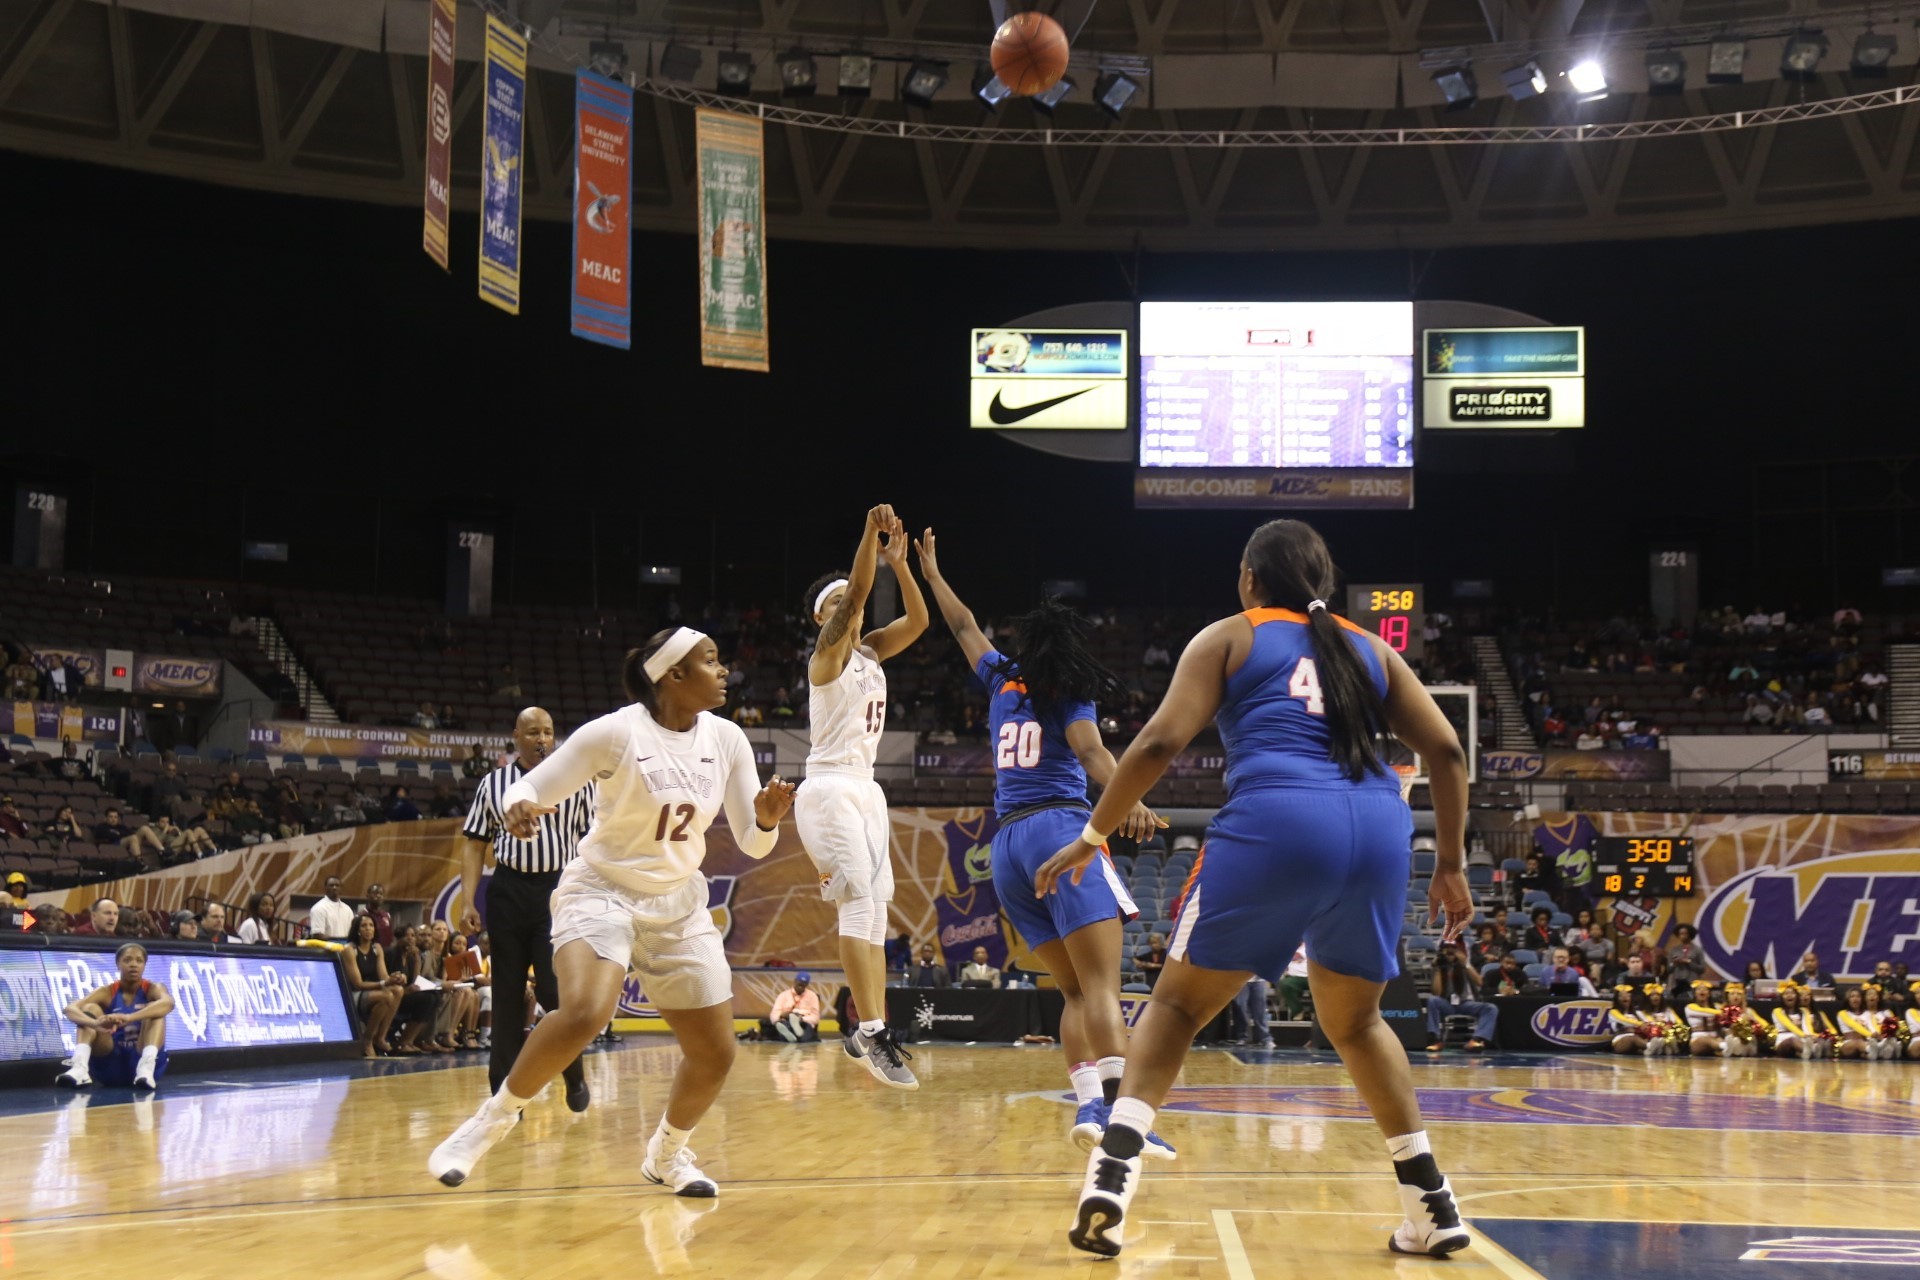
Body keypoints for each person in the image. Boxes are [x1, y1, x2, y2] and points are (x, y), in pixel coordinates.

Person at [1033, 519, 1473, 1260]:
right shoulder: (1373, 648)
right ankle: (1431, 1202)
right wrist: (1453, 862)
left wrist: (1093, 832)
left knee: (1174, 1006)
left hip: (1279, 821)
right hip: (1380, 831)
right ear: (1324, 583)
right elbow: (1447, 750)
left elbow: (1159, 742)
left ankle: (1111, 1175)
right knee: (1359, 1025)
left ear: (1248, 578)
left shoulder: (1230, 635)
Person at [429, 627, 797, 1193]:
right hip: (603, 889)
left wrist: (768, 816)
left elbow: (753, 841)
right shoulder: (617, 731)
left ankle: (667, 1156)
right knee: (585, 1011)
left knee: (716, 1053)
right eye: (711, 661)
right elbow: (528, 786)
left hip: (678, 903)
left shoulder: (727, 740)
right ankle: (488, 1123)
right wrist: (520, 806)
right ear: (673, 675)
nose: (725, 672)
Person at [917, 529, 1170, 1146]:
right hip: (1062, 829)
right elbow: (1090, 749)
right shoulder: (1068, 691)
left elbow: (962, 625)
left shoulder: (1003, 678)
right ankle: (1122, 1121)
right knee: (1104, 988)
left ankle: (1088, 1107)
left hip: (1009, 848)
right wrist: (1128, 798)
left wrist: (927, 569)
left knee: (1074, 990)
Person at [794, 505, 929, 1090]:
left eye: (849, 598)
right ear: (822, 616)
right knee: (857, 908)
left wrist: (900, 566)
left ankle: (864, 1031)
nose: (850, 604)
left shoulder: (870, 651)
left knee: (875, 915)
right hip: (827, 788)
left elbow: (919, 623)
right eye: (839, 601)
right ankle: (872, 1028)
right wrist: (866, 542)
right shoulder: (825, 657)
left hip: (866, 789)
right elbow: (855, 598)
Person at [460, 706, 597, 1104]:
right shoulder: (493, 783)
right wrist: (468, 899)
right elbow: (474, 844)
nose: (542, 739)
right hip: (508, 889)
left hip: (558, 893)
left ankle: (573, 1075)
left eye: (548, 732)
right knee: (506, 994)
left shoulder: (579, 784)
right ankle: (503, 1095)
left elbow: (593, 842)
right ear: (516, 737)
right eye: (533, 732)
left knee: (556, 995)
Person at [56, 943, 173, 1090]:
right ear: (118, 964)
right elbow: (70, 1009)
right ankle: (80, 1067)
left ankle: (146, 1066)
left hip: (143, 1062)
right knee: (89, 1008)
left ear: (144, 965)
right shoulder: (107, 991)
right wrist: (95, 1023)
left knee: (155, 1009)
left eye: (139, 961)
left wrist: (129, 1018)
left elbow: (168, 1003)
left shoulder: (153, 988)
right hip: (111, 1064)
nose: (133, 965)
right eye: (127, 960)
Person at [341, 913, 404, 1057]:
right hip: (353, 994)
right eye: (364, 926)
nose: (368, 929)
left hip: (373, 990)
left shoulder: (377, 948)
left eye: (371, 926)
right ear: (357, 929)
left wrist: (396, 978)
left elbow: (384, 977)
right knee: (387, 996)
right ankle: (367, 1040)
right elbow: (358, 984)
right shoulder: (350, 950)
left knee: (398, 990)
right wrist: (384, 983)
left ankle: (380, 1037)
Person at [1426, 942, 1494, 1052]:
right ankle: (1435, 1040)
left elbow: (1480, 982)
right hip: (1447, 1003)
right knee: (1432, 1000)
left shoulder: (1464, 965)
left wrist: (1466, 964)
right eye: (1446, 948)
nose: (1450, 951)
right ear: (1441, 952)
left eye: (1453, 948)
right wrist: (1438, 969)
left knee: (1490, 1008)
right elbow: (1436, 992)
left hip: (1465, 1003)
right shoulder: (1439, 966)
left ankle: (1476, 1040)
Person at [762, 972, 822, 1043]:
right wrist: (781, 1015)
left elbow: (815, 1017)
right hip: (787, 1020)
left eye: (804, 985)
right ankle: (792, 1034)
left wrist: (801, 1019)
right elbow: (774, 1014)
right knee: (783, 1024)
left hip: (804, 1021)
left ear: (807, 984)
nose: (801, 987)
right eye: (799, 984)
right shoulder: (783, 995)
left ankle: (798, 1033)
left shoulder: (813, 996)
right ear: (795, 981)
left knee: (806, 1029)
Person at [307, 876, 355, 941]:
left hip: (346, 948)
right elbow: (317, 934)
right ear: (325, 888)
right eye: (331, 885)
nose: (334, 887)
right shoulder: (318, 908)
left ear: (341, 888)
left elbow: (352, 932)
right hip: (326, 949)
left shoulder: (347, 909)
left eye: (337, 885)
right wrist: (338, 942)